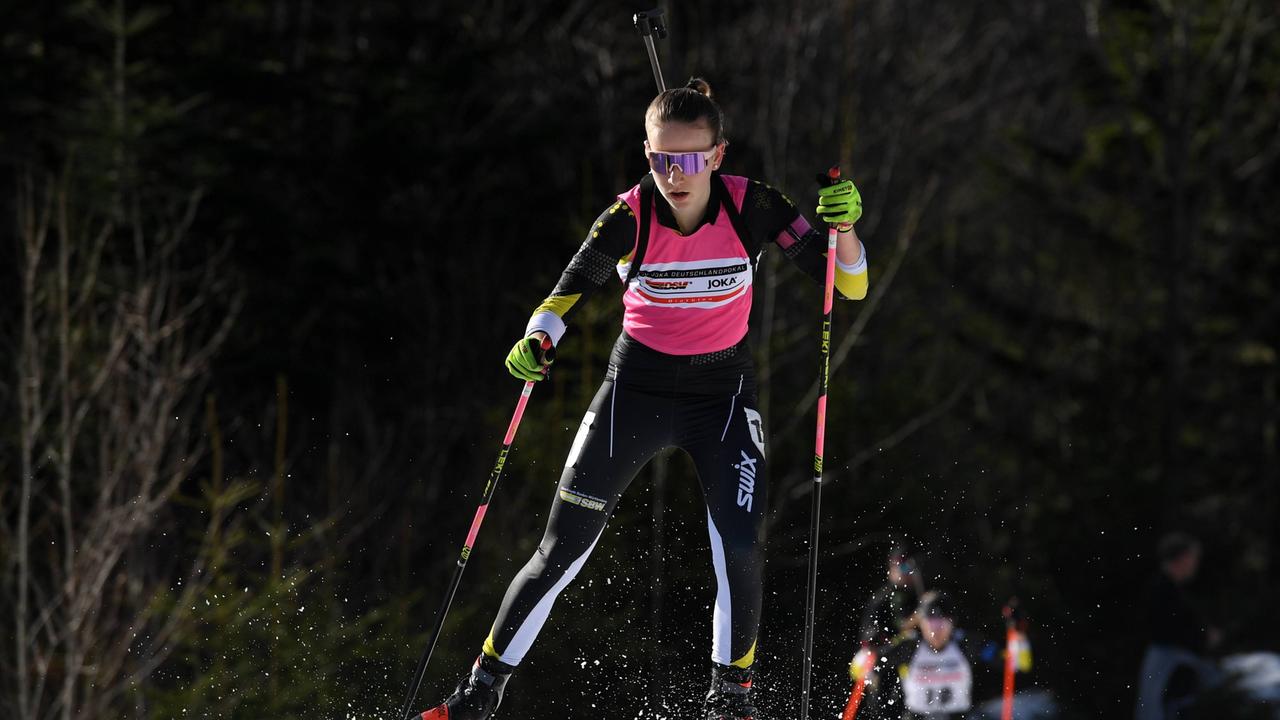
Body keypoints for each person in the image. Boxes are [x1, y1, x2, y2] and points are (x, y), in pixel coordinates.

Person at [413, 78, 869, 720]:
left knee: (738, 545)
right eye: (659, 159)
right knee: (561, 549)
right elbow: (566, 292)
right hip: (637, 389)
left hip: (722, 395)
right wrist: (536, 339)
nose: (672, 175)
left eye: (687, 160)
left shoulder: (754, 207)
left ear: (717, 155)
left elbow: (843, 284)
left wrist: (845, 229)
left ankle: (729, 702)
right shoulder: (630, 216)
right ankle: (477, 696)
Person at [867, 593, 1022, 720]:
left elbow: (1015, 664)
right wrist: (869, 649)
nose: (936, 631)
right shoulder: (909, 646)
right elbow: (861, 670)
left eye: (942, 624)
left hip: (958, 716)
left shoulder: (966, 644)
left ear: (952, 623)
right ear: (921, 623)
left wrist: (1018, 634)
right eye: (931, 624)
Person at [1133, 532, 1222, 720]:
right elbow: (1170, 629)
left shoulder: (1170, 589)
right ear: (1182, 558)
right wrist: (1203, 636)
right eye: (1193, 557)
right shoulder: (1162, 590)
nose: (1195, 563)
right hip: (1169, 667)